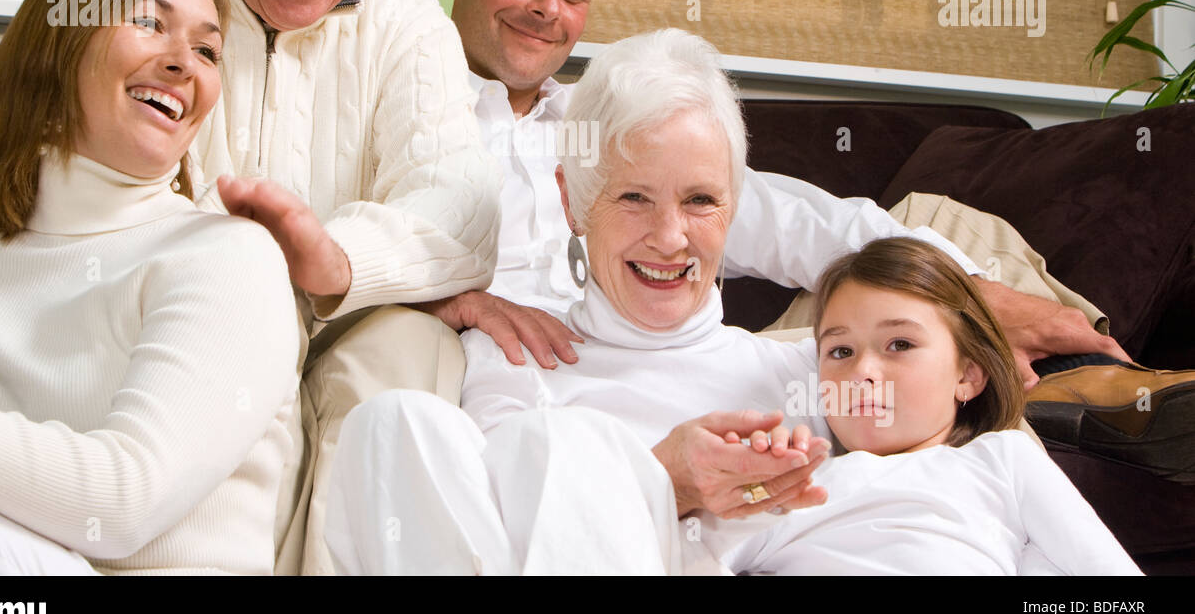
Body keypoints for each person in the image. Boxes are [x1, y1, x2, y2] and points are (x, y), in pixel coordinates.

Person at [57, 0, 502, 572]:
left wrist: (332, 259)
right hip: (153, 308)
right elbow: (65, 156)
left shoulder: (408, 22)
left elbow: (464, 213)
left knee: (412, 352)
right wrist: (249, 277)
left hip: (335, 326)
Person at [430, 0, 1130, 389]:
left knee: (937, 238)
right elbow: (344, 263)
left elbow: (795, 224)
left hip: (702, 363)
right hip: (557, 383)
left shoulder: (605, 121)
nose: (549, 8)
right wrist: (456, 300)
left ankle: (1101, 385)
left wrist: (973, 294)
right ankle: (1086, 395)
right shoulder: (406, 109)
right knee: (927, 303)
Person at [324, 30, 836, 574]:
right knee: (387, 422)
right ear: (573, 203)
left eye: (700, 200)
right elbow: (493, 544)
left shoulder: (813, 373)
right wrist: (663, 478)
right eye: (634, 198)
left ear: (732, 209)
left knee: (561, 440)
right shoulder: (514, 357)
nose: (669, 237)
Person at [0, 0, 302, 574]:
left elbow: (120, 503)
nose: (184, 64)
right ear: (55, 46)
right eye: (149, 22)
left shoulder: (226, 259)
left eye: (207, 50)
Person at [699, 237, 1141, 575]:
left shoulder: (1003, 461)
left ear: (967, 375)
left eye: (900, 344)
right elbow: (677, 553)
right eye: (840, 351)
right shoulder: (795, 483)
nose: (862, 371)